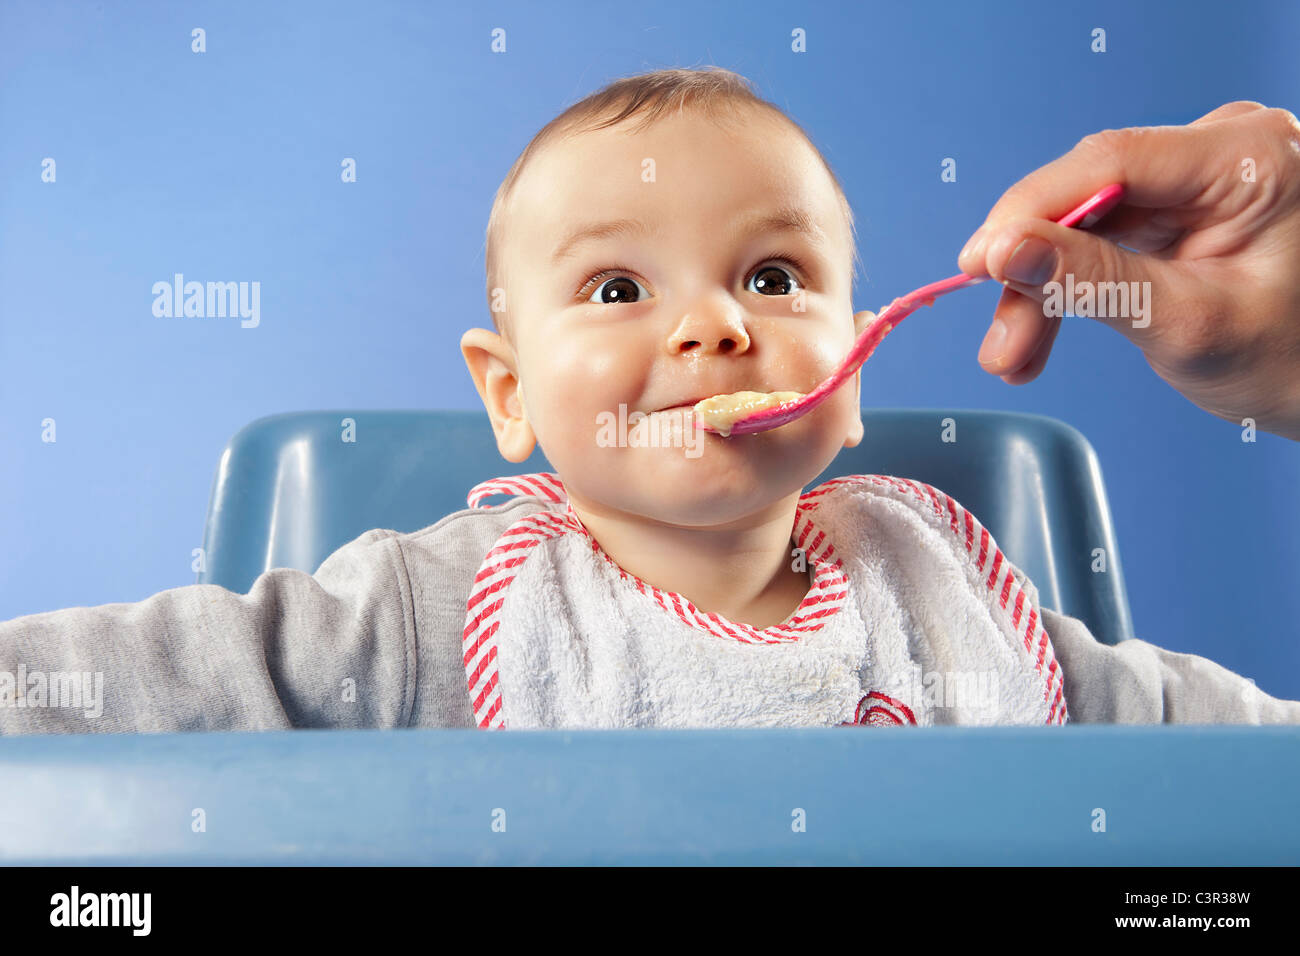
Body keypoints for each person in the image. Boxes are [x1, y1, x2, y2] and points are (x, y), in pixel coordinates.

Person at [1, 70, 1296, 735]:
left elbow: (1195, 737)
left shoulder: (943, 585)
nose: (715, 323)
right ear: (509, 397)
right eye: (619, 287)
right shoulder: (430, 617)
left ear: (855, 362)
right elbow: (169, 674)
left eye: (774, 277)